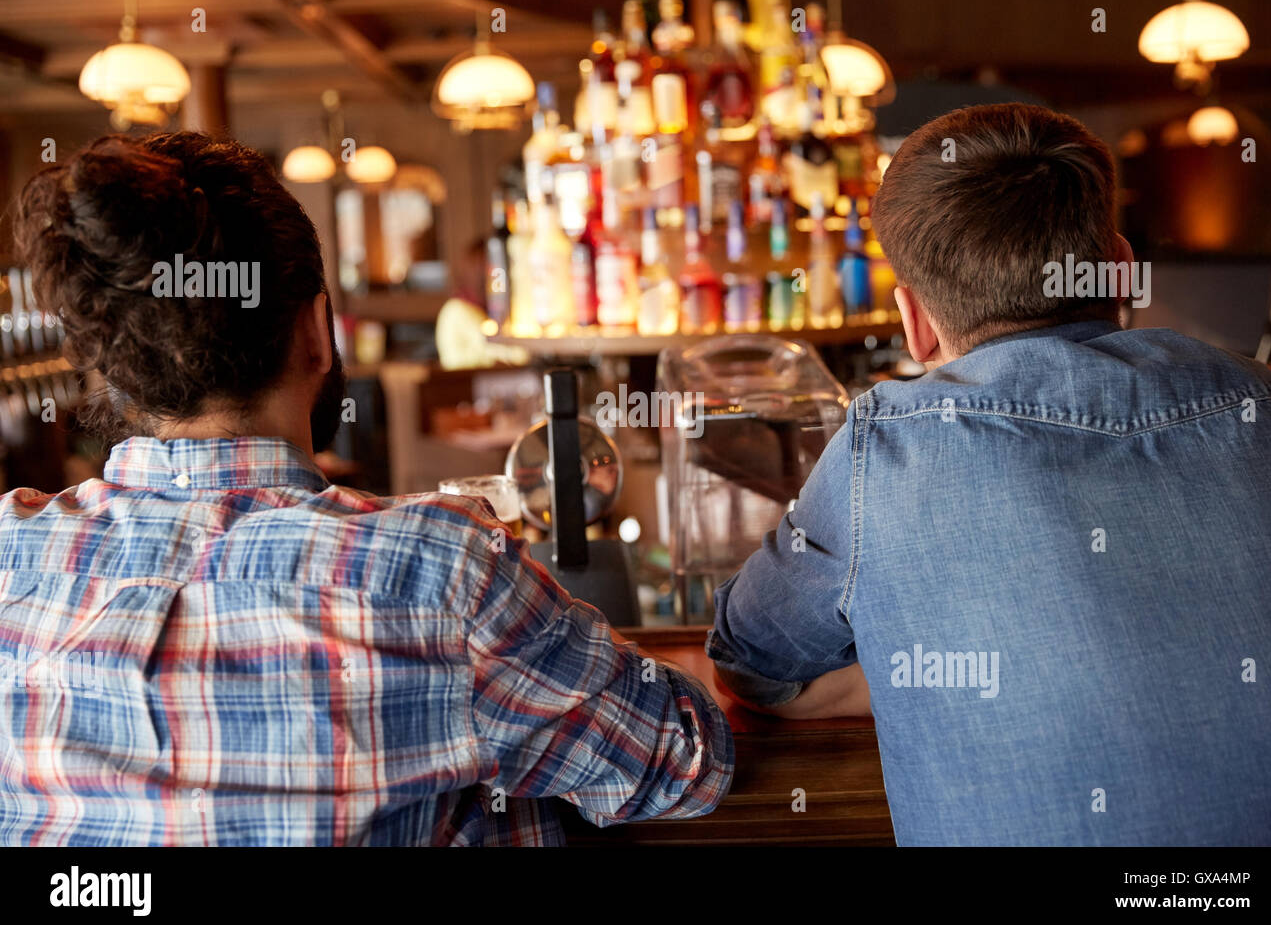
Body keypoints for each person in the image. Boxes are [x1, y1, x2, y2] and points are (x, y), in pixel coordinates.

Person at [1, 131, 732, 846]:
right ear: (318, 332)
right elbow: (687, 761)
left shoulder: (11, 557)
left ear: (113, 370)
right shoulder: (433, 574)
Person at [708, 103, 1271, 846]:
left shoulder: (882, 452)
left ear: (914, 323)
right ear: (1120, 271)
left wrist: (907, 670)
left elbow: (751, 660)